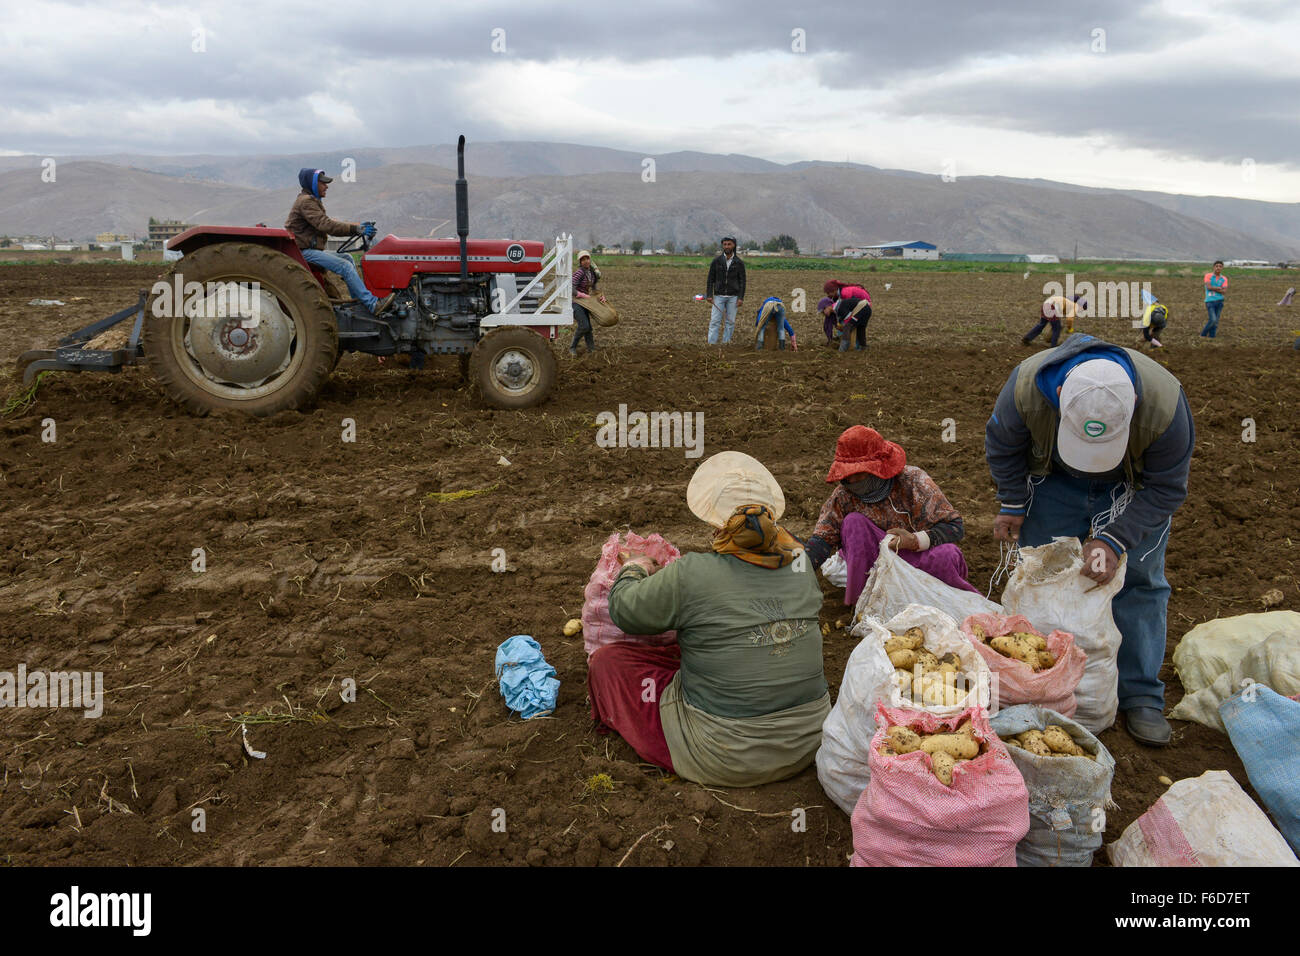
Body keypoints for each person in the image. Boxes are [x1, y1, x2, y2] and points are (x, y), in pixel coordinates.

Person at [985, 332, 1195, 747]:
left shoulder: (1166, 405)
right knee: (1042, 574)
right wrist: (1012, 502)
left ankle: (1141, 696)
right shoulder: (1026, 388)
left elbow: (1167, 489)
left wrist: (1115, 540)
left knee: (1141, 582)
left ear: (1133, 404)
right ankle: (1036, 684)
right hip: (1054, 480)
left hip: (1132, 487)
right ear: (1060, 395)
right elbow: (1003, 446)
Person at [588, 452, 830, 787]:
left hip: (724, 754)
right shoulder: (802, 565)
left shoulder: (694, 573)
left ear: (717, 524)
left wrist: (635, 567)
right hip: (809, 741)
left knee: (608, 663)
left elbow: (626, 611)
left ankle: (677, 743)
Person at [804, 425, 978, 605]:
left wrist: (915, 541)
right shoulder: (844, 495)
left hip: (913, 557)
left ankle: (910, 590)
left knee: (947, 555)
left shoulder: (912, 481)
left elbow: (954, 527)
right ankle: (863, 604)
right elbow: (822, 540)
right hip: (870, 563)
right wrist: (796, 570)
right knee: (853, 523)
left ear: (878, 468)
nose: (852, 481)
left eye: (858, 474)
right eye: (848, 476)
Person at [284, 168, 394, 316]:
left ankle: (358, 304)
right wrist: (356, 229)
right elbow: (326, 225)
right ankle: (372, 304)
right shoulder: (306, 202)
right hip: (303, 252)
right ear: (313, 184)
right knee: (345, 266)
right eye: (323, 183)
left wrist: (358, 226)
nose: (326, 186)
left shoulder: (310, 201)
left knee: (347, 258)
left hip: (308, 250)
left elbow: (330, 222)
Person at [705, 237, 746, 344]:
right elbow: (710, 279)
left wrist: (741, 298)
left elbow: (742, 282)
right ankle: (711, 344)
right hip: (718, 296)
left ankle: (725, 344)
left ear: (734, 246)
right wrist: (709, 295)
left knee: (730, 322)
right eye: (725, 244)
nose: (727, 246)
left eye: (729, 244)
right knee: (715, 321)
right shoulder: (716, 261)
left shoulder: (739, 263)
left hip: (733, 297)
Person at [569, 249, 605, 356]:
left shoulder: (592, 273)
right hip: (576, 303)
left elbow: (594, 289)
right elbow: (571, 288)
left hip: (586, 303)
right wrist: (581, 294)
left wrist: (600, 296)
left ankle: (591, 348)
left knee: (588, 327)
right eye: (583, 259)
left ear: (590, 260)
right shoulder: (579, 273)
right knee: (584, 326)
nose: (586, 261)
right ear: (580, 262)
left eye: (587, 258)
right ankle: (572, 347)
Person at [822, 279, 872, 352]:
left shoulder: (844, 294)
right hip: (864, 307)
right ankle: (862, 347)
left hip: (863, 306)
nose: (828, 295)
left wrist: (843, 327)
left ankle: (843, 349)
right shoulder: (839, 300)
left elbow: (848, 313)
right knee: (860, 328)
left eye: (828, 293)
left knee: (848, 327)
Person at [1201, 261, 1228, 338]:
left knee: (1216, 321)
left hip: (1220, 301)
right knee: (1212, 319)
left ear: (1222, 268)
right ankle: (1203, 334)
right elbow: (1208, 287)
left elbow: (1224, 291)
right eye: (1216, 266)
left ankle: (1212, 337)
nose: (1218, 268)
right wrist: (1219, 288)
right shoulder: (1208, 276)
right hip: (1210, 301)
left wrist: (1213, 288)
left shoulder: (1224, 278)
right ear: (1213, 267)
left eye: (1220, 266)